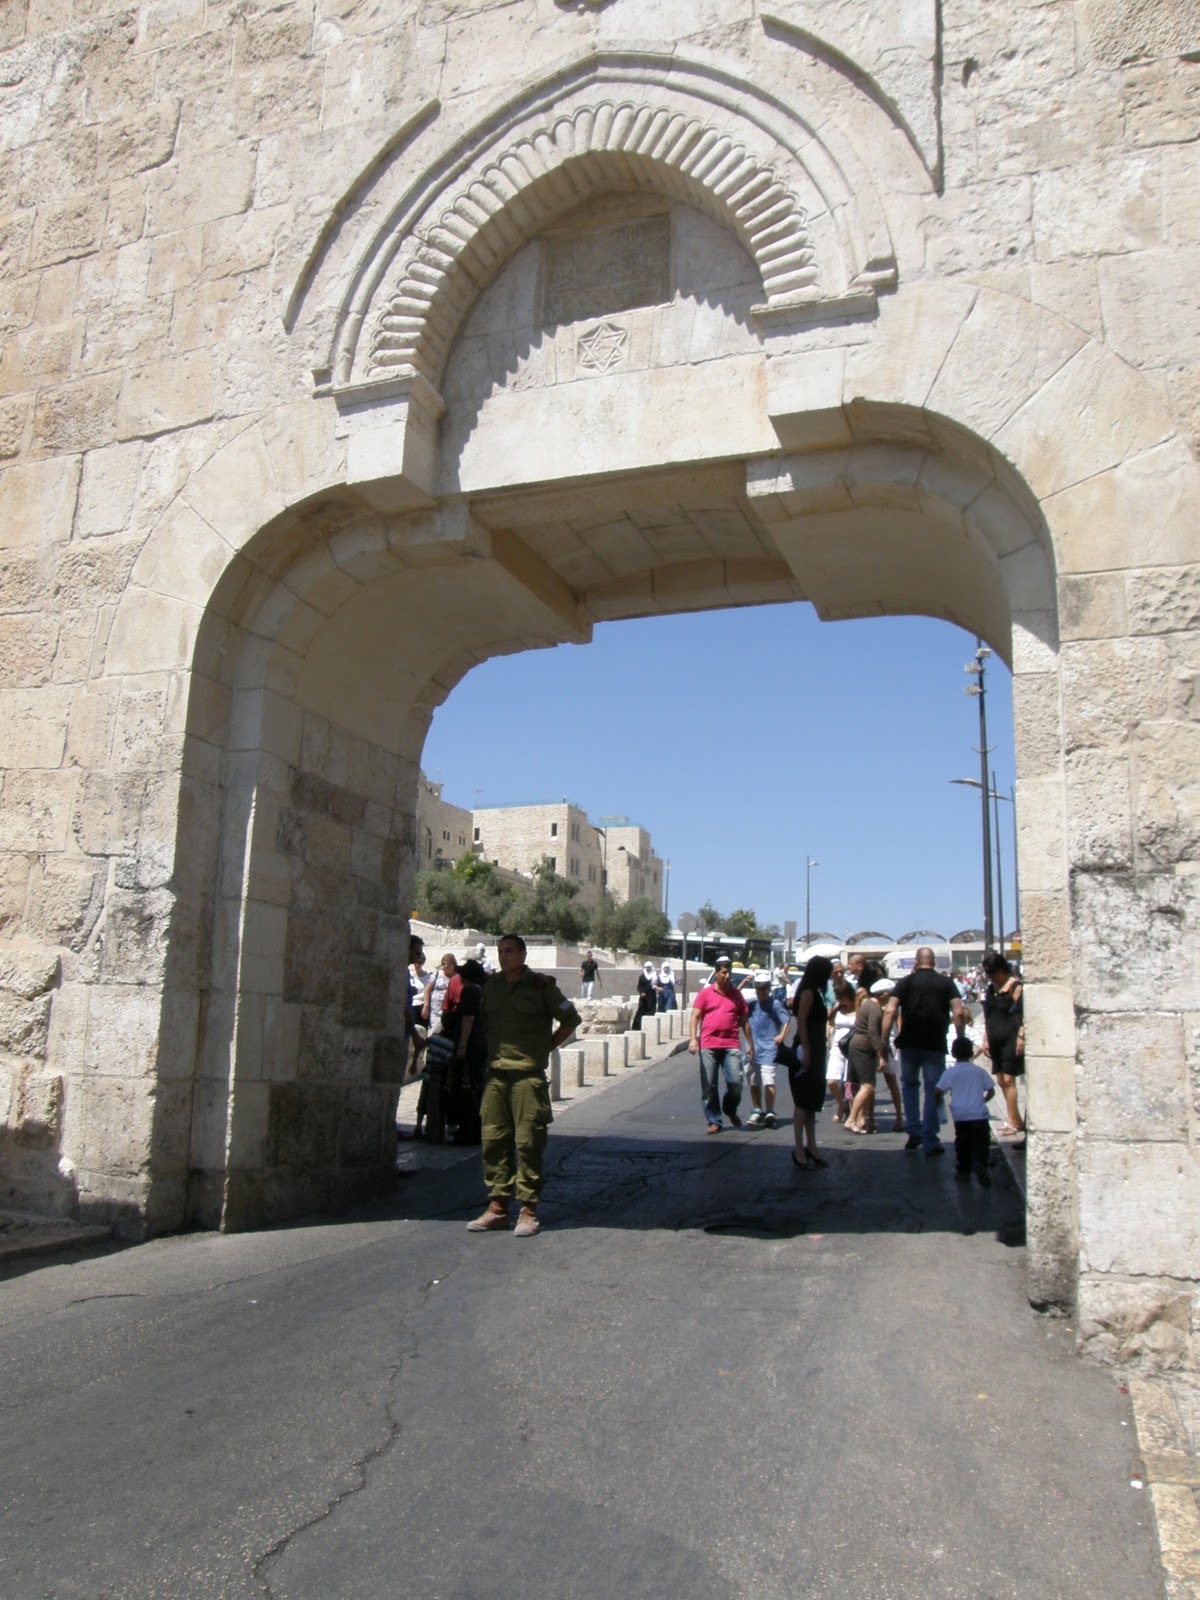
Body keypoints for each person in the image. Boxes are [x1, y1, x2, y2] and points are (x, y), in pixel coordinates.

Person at [467, 934, 581, 1237]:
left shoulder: (542, 987)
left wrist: (546, 1047)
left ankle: (528, 1210)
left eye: (509, 951)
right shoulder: (491, 987)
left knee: (528, 1143)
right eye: (500, 951)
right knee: (493, 1140)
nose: (504, 956)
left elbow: (571, 1018)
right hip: (496, 1075)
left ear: (523, 954)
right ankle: (497, 1208)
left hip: (527, 1078)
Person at [879, 946, 966, 1157]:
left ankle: (914, 1131)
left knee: (909, 1086)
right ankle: (930, 1139)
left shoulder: (905, 982)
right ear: (934, 962)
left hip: (909, 1043)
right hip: (934, 1044)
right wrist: (961, 1037)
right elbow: (959, 1013)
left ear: (916, 963)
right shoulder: (946, 983)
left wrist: (883, 1041)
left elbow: (890, 1010)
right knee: (933, 1090)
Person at [689, 954, 753, 1133]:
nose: (727, 976)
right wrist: (693, 1039)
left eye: (729, 973)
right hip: (709, 1044)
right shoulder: (706, 994)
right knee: (709, 1085)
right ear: (716, 973)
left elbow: (744, 1020)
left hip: (731, 1044)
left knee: (736, 1083)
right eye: (724, 973)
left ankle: (730, 1108)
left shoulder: (736, 995)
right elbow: (695, 1017)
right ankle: (714, 1120)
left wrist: (750, 1044)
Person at [788, 954, 833, 1169]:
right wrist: (806, 1050)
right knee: (802, 1101)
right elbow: (802, 1021)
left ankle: (812, 1146)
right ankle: (799, 1149)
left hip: (817, 1050)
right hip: (807, 1049)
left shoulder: (818, 992)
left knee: (813, 1102)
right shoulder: (807, 992)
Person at [937, 1035, 996, 1186]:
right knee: (981, 1141)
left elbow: (938, 1091)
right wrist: (981, 1100)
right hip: (978, 1114)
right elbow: (991, 1090)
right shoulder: (978, 1071)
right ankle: (980, 1163)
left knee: (962, 1142)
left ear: (953, 1053)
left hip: (960, 1115)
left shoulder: (950, 1072)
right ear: (971, 1053)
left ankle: (963, 1170)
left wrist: (938, 1103)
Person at [979, 950, 1025, 1139]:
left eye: (992, 972)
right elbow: (988, 1016)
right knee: (1000, 1080)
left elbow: (1023, 1013)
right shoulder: (991, 989)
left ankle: (1013, 1122)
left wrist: (1021, 1035)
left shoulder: (1014, 987)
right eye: (987, 972)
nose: (990, 976)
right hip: (995, 1038)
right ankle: (1015, 1118)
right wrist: (986, 1039)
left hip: (1010, 1038)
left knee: (1008, 1079)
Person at [441, 957, 488, 1144]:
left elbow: (467, 1019)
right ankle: (474, 1128)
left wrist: (461, 1046)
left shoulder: (469, 991)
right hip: (480, 1042)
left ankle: (466, 1130)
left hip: (468, 1044)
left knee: (464, 1085)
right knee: (476, 1084)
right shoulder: (482, 992)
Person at [744, 972, 789, 1128]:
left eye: (764, 989)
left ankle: (769, 1111)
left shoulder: (775, 1004)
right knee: (753, 1080)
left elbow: (786, 1020)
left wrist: (782, 1035)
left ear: (769, 989)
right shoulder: (752, 1004)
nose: (761, 992)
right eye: (758, 989)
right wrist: (742, 984)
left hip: (769, 1048)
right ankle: (757, 1109)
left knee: (768, 1080)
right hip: (753, 1048)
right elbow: (734, 1002)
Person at [845, 975, 885, 1134]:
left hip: (857, 1045)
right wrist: (880, 1053)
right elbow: (873, 1032)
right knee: (867, 1086)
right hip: (864, 1047)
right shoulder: (875, 1008)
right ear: (884, 995)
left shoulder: (867, 1004)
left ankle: (861, 1119)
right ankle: (851, 1119)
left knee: (864, 1084)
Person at [826, 981, 856, 1122]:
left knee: (848, 1083)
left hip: (852, 1047)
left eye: (840, 996)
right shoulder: (838, 1007)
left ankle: (852, 1113)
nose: (838, 999)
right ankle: (841, 1105)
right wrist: (828, 1038)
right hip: (837, 1047)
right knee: (831, 1080)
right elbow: (830, 1022)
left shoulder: (858, 1007)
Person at [635, 961, 658, 1027]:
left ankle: (649, 1026)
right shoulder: (641, 976)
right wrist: (641, 993)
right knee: (641, 1009)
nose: (648, 968)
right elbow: (639, 986)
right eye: (646, 967)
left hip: (651, 997)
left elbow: (657, 985)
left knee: (651, 1010)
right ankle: (638, 1026)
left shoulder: (654, 976)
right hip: (643, 997)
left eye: (649, 967)